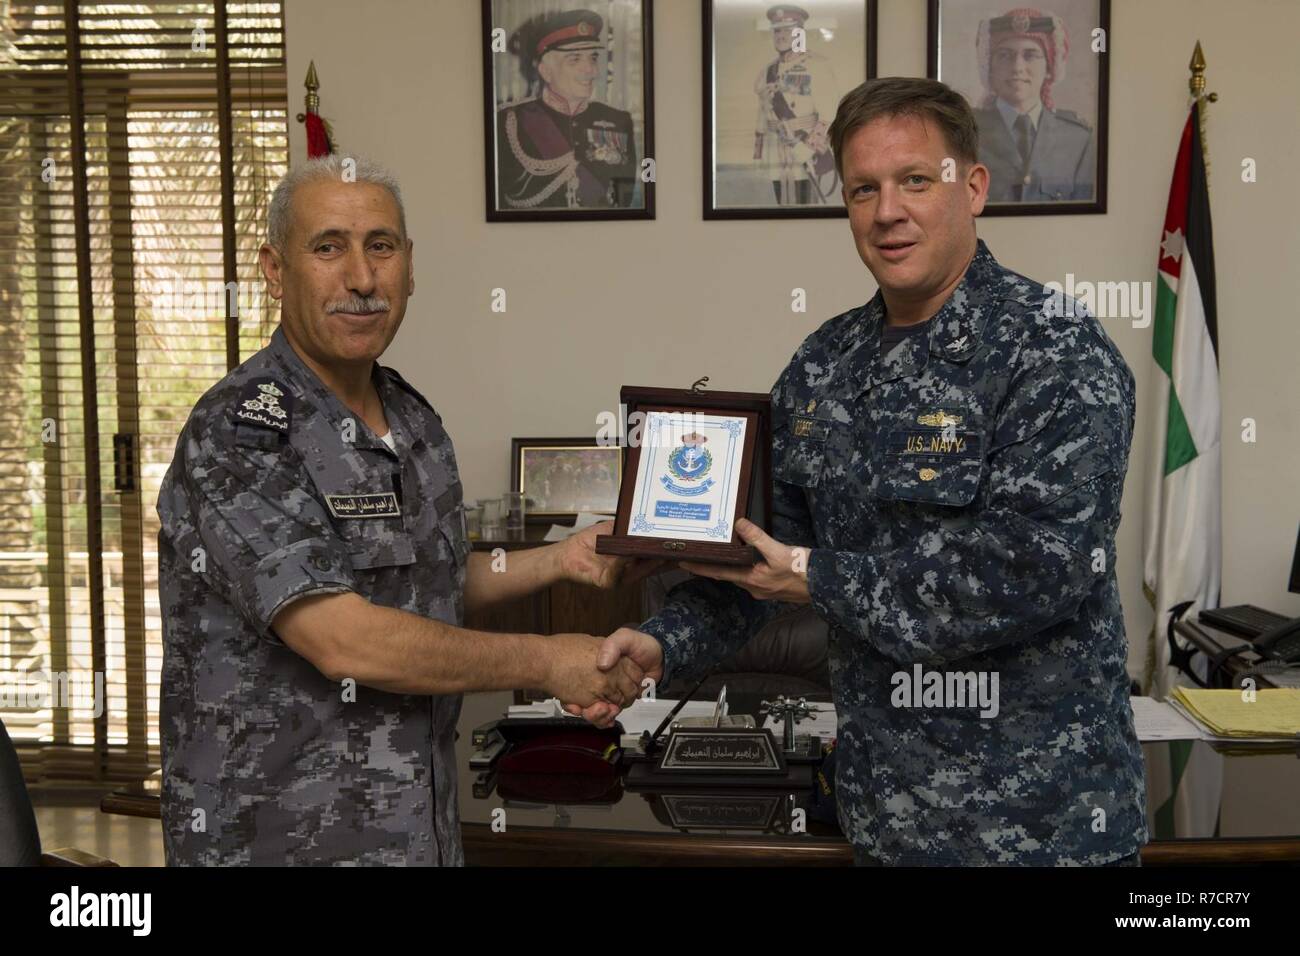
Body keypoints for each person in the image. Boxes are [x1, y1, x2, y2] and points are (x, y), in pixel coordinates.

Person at [581, 77, 1147, 866]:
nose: (888, 211)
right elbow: (759, 549)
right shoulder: (824, 363)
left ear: (973, 187)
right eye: (863, 189)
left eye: (916, 180)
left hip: (1040, 828)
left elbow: (1033, 569)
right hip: (881, 821)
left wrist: (819, 578)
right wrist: (661, 644)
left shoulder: (1054, 352)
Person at [157, 155, 646, 866]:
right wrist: (548, 661)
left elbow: (427, 584)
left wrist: (563, 558)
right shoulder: (240, 431)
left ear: (410, 267)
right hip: (280, 843)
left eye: (380, 247)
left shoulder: (412, 419)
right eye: (329, 248)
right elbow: (343, 637)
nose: (361, 278)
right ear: (273, 270)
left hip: (415, 834)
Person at [496, 9, 638, 210]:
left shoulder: (618, 120)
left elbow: (624, 199)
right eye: (575, 60)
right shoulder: (508, 121)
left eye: (593, 58)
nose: (591, 70)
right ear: (546, 71)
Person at [972, 7, 1094, 202]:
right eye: (1005, 55)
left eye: (1030, 55)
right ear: (990, 67)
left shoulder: (1078, 140)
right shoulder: (966, 133)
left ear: (1049, 66)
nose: (1017, 67)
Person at [752, 4, 843, 204]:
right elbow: (763, 112)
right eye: (777, 30)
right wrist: (758, 154)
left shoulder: (817, 65)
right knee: (779, 207)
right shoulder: (767, 71)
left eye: (787, 30)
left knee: (807, 208)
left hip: (804, 147)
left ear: (800, 33)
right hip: (775, 151)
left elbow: (831, 114)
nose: (781, 36)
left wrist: (808, 149)